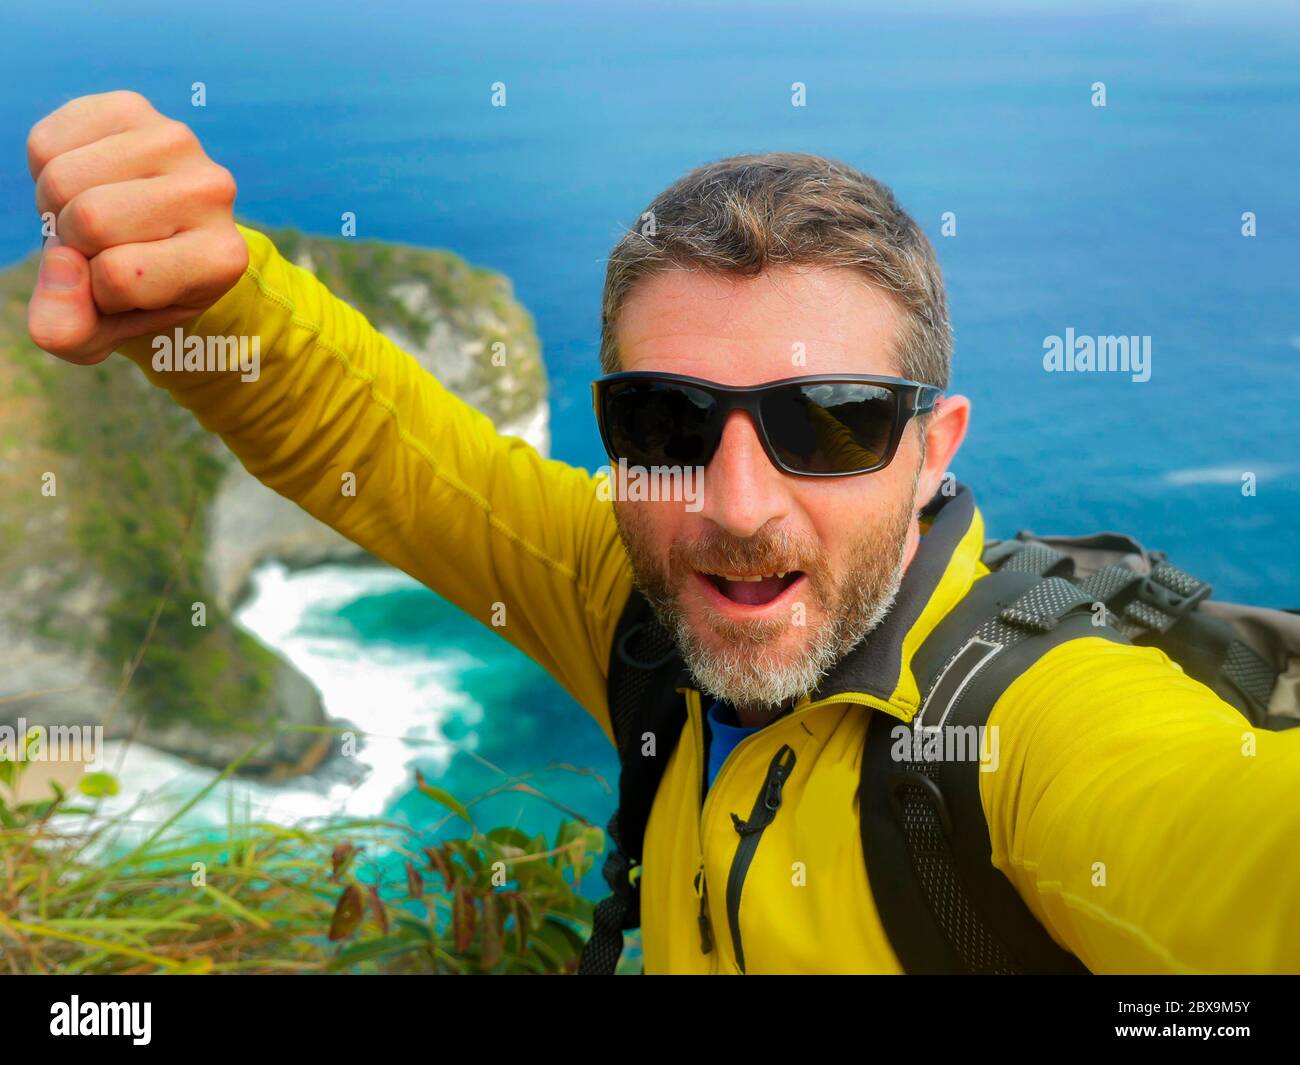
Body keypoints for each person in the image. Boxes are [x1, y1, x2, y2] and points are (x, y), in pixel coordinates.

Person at [24, 90, 1300, 975]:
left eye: (834, 423)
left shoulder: (1029, 729)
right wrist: (210, 289)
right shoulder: (643, 599)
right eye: (668, 419)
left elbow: (1230, 850)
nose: (737, 507)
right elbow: (392, 456)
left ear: (935, 450)